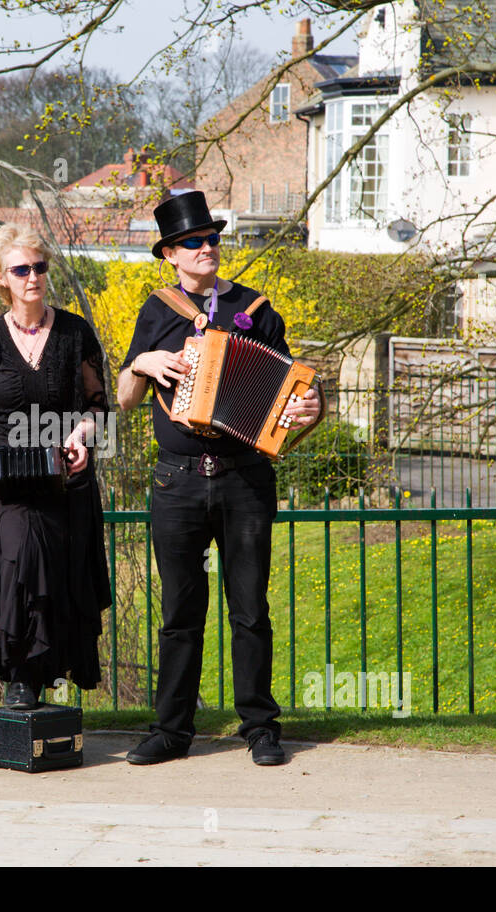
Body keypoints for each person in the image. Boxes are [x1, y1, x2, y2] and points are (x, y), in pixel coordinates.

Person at [116, 191, 322, 766]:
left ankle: (260, 727)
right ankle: (171, 731)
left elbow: (292, 386)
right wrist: (141, 364)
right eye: (192, 242)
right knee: (180, 612)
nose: (206, 248)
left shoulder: (255, 309)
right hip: (177, 482)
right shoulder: (157, 311)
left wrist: (311, 408)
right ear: (169, 255)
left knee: (250, 608)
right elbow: (125, 401)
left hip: (244, 478)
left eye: (211, 239)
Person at [0, 223, 111, 710]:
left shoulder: (73, 332)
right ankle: (21, 675)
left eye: (39, 267)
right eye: (21, 269)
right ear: (1, 277)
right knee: (21, 553)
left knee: (56, 567)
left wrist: (82, 437)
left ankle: (40, 677)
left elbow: (98, 406)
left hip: (64, 475)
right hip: (4, 481)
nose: (33, 277)